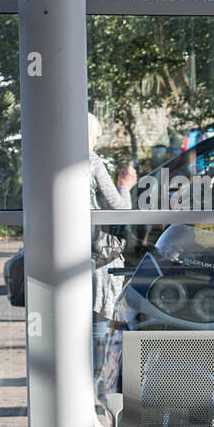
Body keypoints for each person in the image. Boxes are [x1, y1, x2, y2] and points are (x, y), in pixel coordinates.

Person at [88, 113, 138, 363]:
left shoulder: (55, 161)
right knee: (99, 325)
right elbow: (120, 208)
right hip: (97, 256)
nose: (97, 142)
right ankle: (95, 386)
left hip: (69, 253)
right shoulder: (92, 162)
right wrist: (125, 186)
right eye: (96, 137)